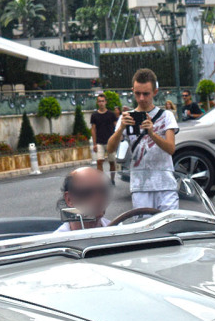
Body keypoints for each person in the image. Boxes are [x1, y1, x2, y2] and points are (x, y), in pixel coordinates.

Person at [107, 68, 179, 212]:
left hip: (165, 185)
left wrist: (152, 134)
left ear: (155, 92)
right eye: (137, 93)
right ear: (132, 90)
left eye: (146, 94)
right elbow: (110, 149)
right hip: (140, 185)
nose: (141, 98)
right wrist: (121, 128)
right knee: (146, 231)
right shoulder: (126, 118)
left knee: (169, 229)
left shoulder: (166, 116)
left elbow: (171, 148)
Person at [55, 166, 114, 232]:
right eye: (87, 193)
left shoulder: (117, 230)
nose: (98, 199)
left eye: (103, 191)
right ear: (69, 199)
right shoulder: (59, 239)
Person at [89, 93, 120, 182]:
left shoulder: (111, 114)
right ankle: (101, 180)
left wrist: (117, 140)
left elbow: (116, 128)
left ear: (105, 102)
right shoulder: (94, 115)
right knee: (99, 161)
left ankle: (112, 179)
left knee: (111, 161)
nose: (101, 103)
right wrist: (94, 144)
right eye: (99, 101)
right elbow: (93, 129)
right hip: (99, 142)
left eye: (103, 101)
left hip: (110, 142)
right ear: (97, 103)